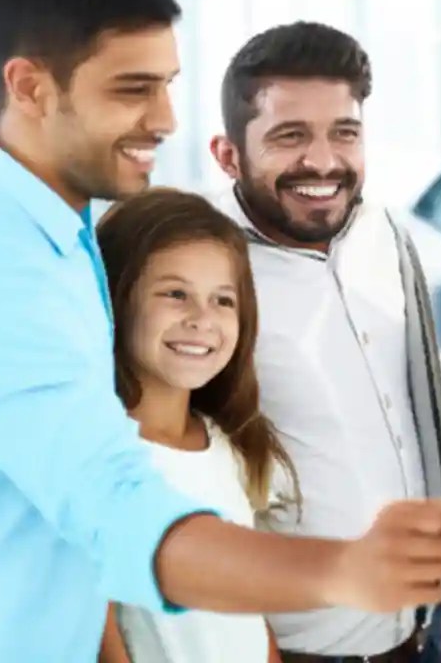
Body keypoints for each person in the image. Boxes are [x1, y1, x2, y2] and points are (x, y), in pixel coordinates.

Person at [0, 0, 441, 660]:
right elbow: (111, 503)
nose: (166, 118)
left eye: (168, 83)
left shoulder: (58, 228)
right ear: (31, 88)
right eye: (133, 87)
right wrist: (339, 569)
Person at [207, 21, 441, 663]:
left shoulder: (385, 233)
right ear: (228, 154)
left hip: (418, 636)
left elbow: (426, 418)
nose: (322, 162)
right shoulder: (203, 271)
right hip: (294, 649)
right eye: (289, 137)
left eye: (343, 133)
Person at [94, 188, 298, 662]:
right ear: (117, 298)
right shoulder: (99, 457)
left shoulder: (228, 446)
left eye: (223, 300)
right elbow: (98, 631)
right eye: (175, 294)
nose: (202, 319)